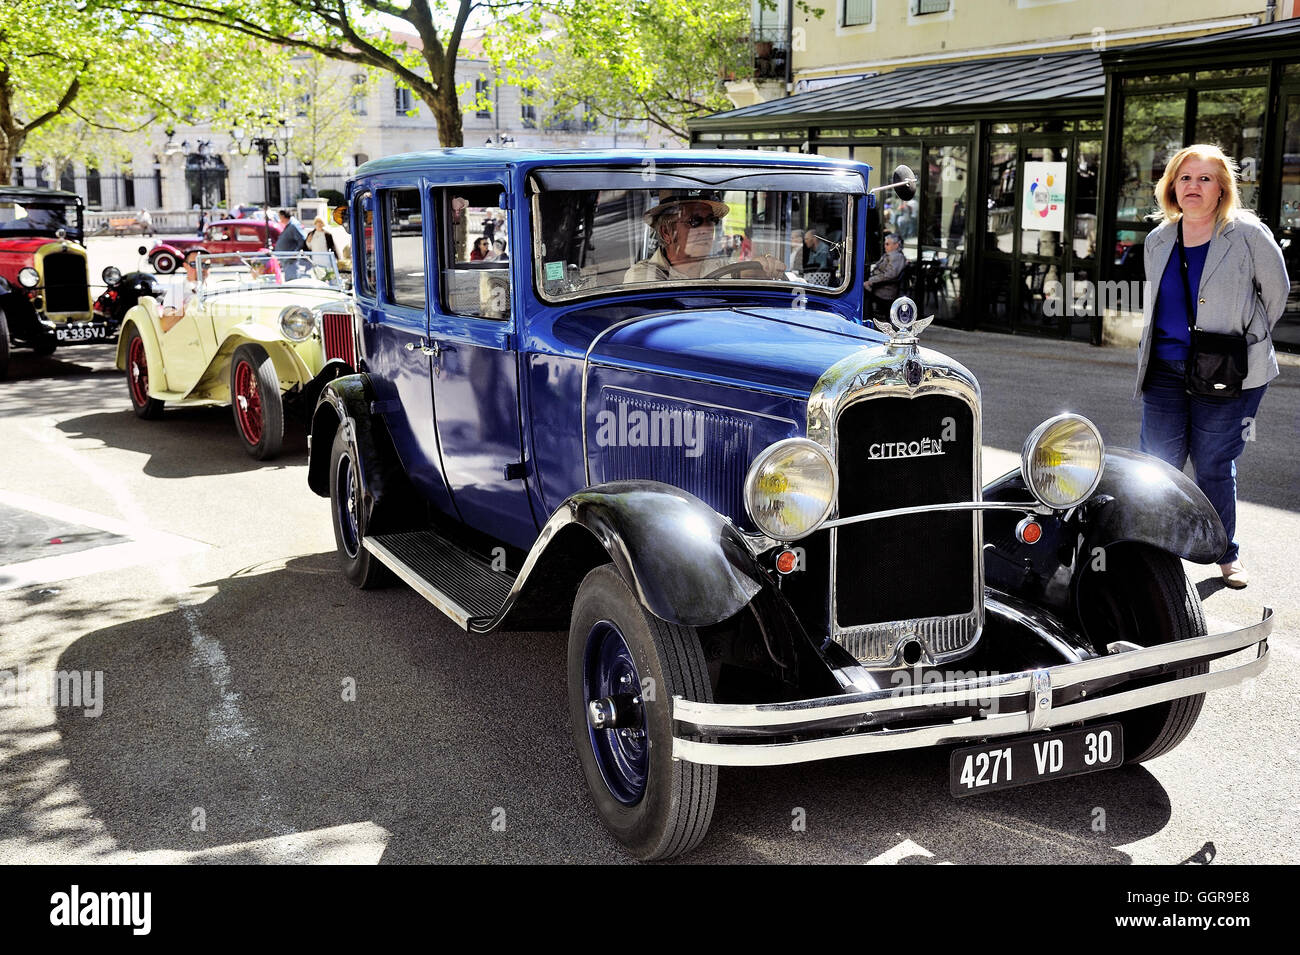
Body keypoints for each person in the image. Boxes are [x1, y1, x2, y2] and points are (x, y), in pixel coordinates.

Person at [1134, 143, 1290, 589]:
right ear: (1172, 187)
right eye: (1185, 178)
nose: (1193, 186)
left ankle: (1226, 553)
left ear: (1222, 187)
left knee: (1214, 463)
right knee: (1158, 462)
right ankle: (1155, 550)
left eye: (1204, 178)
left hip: (1228, 369)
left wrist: (1246, 337)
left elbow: (1275, 295)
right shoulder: (1158, 239)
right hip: (1164, 368)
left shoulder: (1247, 233)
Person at [624, 190, 783, 283]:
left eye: (711, 220)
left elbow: (742, 273)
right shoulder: (643, 276)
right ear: (667, 232)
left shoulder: (718, 265)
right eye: (695, 222)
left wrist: (764, 264)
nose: (707, 228)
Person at [160, 250, 208, 332]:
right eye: (194, 264)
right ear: (185, 266)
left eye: (205, 265)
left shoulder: (217, 287)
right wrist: (193, 305)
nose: (201, 269)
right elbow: (166, 324)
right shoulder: (176, 290)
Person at [864, 232, 907, 318]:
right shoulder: (889, 255)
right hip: (879, 287)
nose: (885, 246)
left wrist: (871, 281)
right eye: (884, 244)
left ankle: (866, 319)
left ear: (896, 245)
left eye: (887, 244)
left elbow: (890, 274)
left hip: (885, 291)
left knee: (861, 292)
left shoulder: (897, 257)